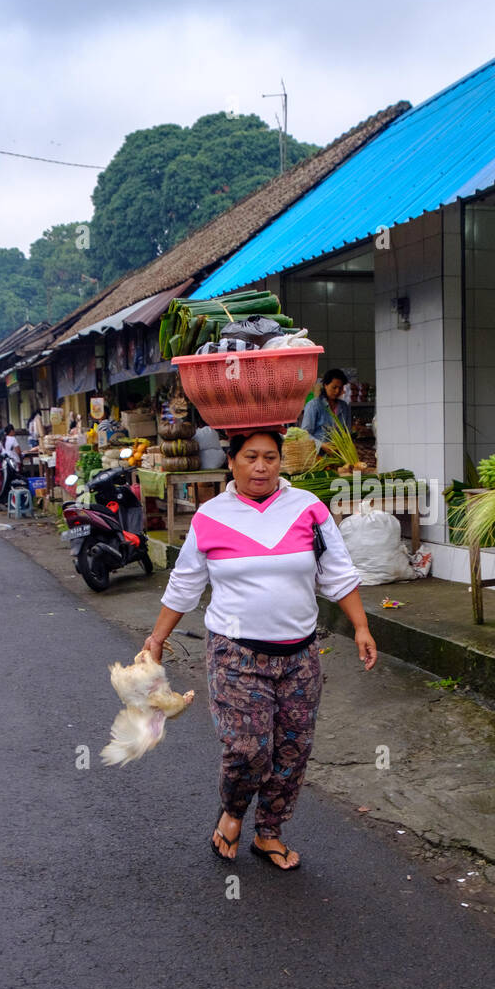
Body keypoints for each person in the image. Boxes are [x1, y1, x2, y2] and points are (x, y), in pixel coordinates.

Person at [142, 428, 377, 870]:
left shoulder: (308, 508)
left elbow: (337, 571)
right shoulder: (210, 516)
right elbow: (186, 583)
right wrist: (158, 638)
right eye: (250, 456)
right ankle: (233, 812)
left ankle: (269, 831)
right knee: (248, 747)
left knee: (292, 748)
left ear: (280, 462)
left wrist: (361, 626)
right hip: (237, 654)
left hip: (301, 655)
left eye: (270, 457)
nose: (261, 466)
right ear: (231, 462)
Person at [300, 367, 352, 446]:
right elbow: (304, 435)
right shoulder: (314, 405)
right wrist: (321, 445)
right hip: (318, 455)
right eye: (334, 387)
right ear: (325, 385)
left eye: (340, 388)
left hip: (339, 454)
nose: (337, 391)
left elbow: (347, 433)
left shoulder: (344, 406)